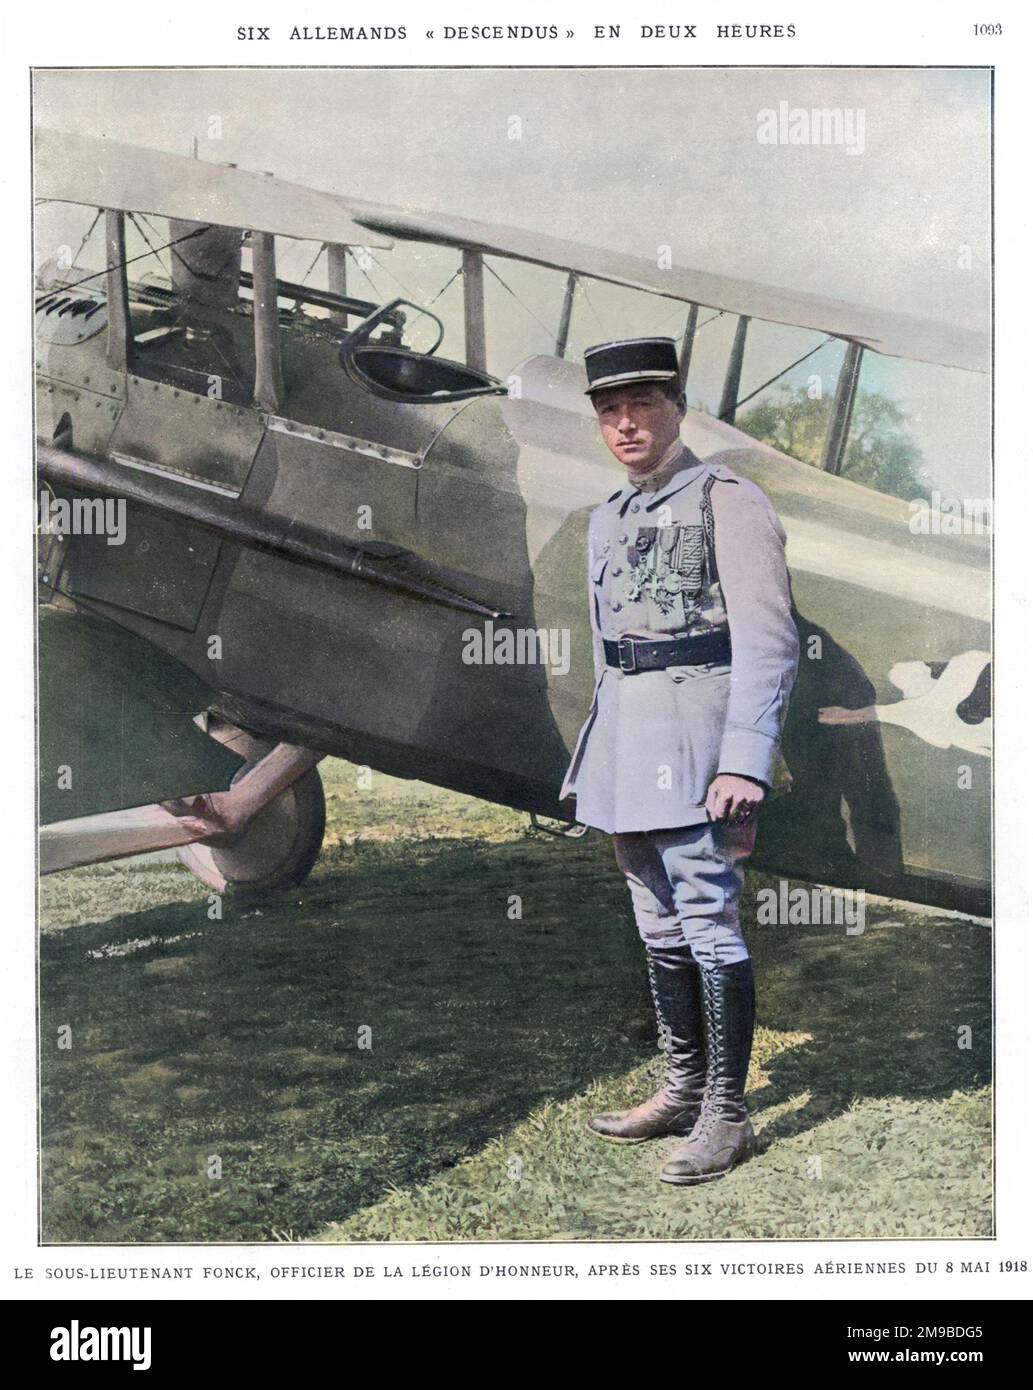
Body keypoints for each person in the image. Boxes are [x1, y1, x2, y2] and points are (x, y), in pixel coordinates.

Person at [559, 336, 800, 1185]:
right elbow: (609, 653)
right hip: (629, 743)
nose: (625, 425)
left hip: (700, 743)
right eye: (609, 412)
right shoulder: (607, 517)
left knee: (706, 918)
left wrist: (744, 760)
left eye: (642, 407)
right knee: (654, 921)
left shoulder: (727, 501)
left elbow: (768, 645)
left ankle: (725, 1115)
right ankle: (681, 1088)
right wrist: (598, 759)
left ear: (677, 410)